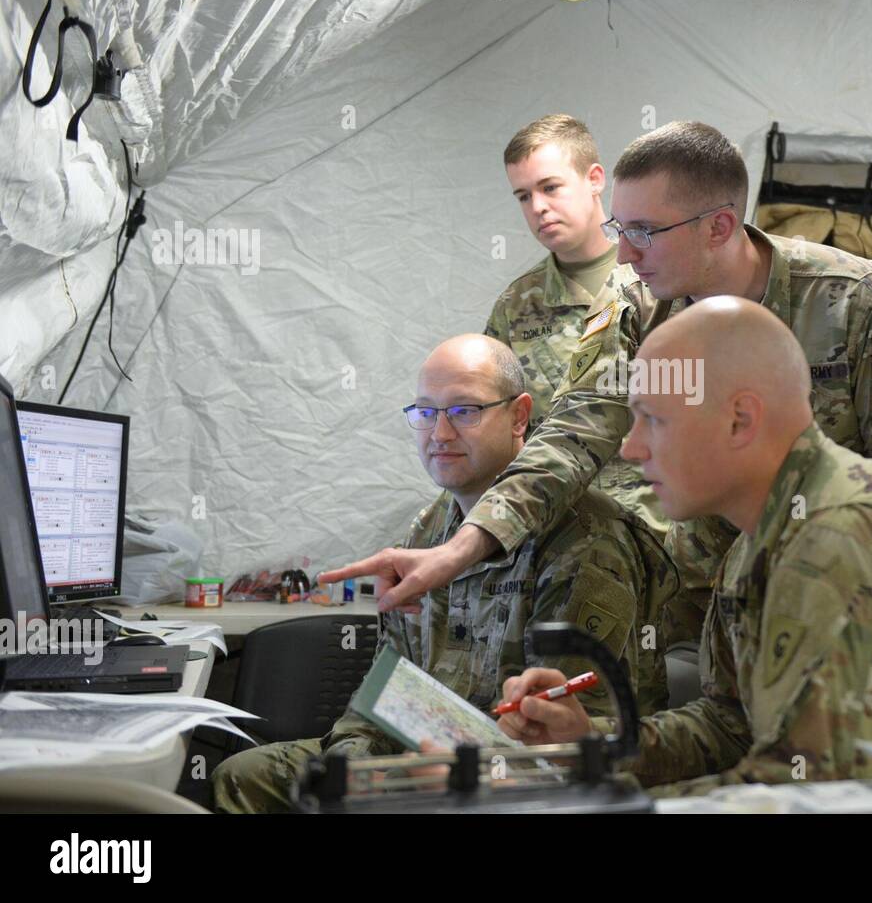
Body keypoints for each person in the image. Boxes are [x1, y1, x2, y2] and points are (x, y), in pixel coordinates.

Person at [324, 121, 872, 650]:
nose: (623, 255)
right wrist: (464, 546)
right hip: (684, 591)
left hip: (826, 590)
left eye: (644, 231)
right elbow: (575, 432)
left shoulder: (851, 300)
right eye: (621, 228)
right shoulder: (638, 306)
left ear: (719, 226)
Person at [497, 299, 872, 796]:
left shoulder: (838, 539)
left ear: (740, 418)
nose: (631, 448)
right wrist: (594, 744)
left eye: (652, 419)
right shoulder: (766, 535)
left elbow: (812, 790)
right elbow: (733, 724)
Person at [211, 335, 674, 812]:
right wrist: (353, 772)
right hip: (423, 765)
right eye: (426, 413)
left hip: (522, 785)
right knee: (244, 777)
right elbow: (384, 697)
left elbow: (579, 740)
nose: (440, 433)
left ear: (519, 417)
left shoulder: (585, 539)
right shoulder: (429, 531)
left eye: (465, 411)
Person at [485, 114, 666, 536]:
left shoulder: (661, 279)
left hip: (665, 532)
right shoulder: (516, 307)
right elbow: (494, 424)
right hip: (563, 533)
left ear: (595, 179)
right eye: (523, 197)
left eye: (550, 187)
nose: (538, 208)